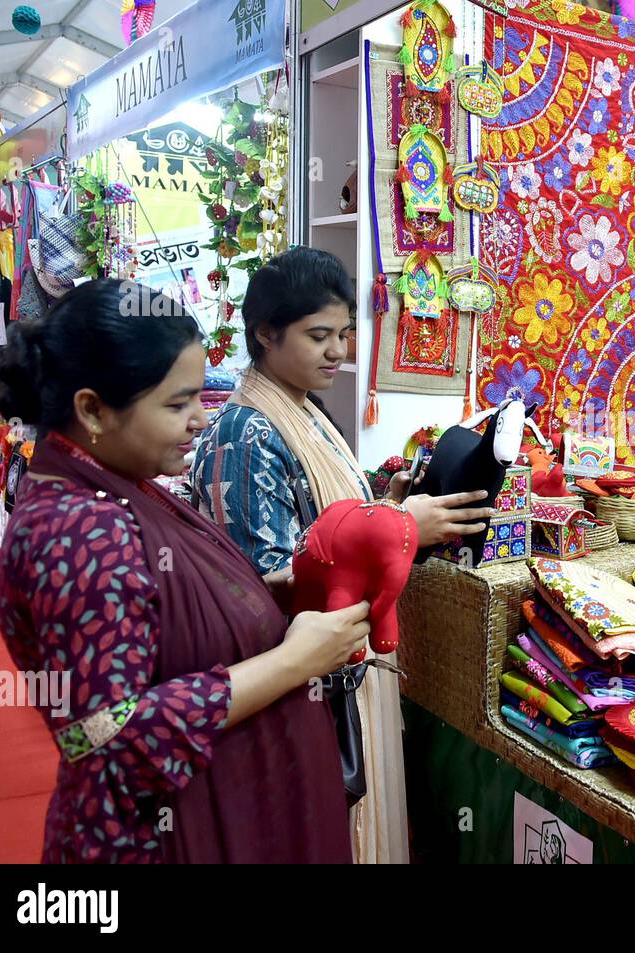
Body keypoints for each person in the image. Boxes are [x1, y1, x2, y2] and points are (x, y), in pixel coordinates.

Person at [0, 279, 366, 862]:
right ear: (92, 408)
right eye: (177, 404)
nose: (199, 419)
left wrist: (262, 596)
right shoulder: (76, 531)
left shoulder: (114, 491)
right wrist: (294, 662)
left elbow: (158, 608)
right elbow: (105, 736)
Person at [191, 246, 496, 863]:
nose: (338, 351)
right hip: (301, 691)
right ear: (265, 334)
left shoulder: (306, 410)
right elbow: (264, 590)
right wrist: (395, 526)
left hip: (341, 672)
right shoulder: (245, 434)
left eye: (346, 334)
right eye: (319, 335)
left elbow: (327, 525)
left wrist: (390, 504)